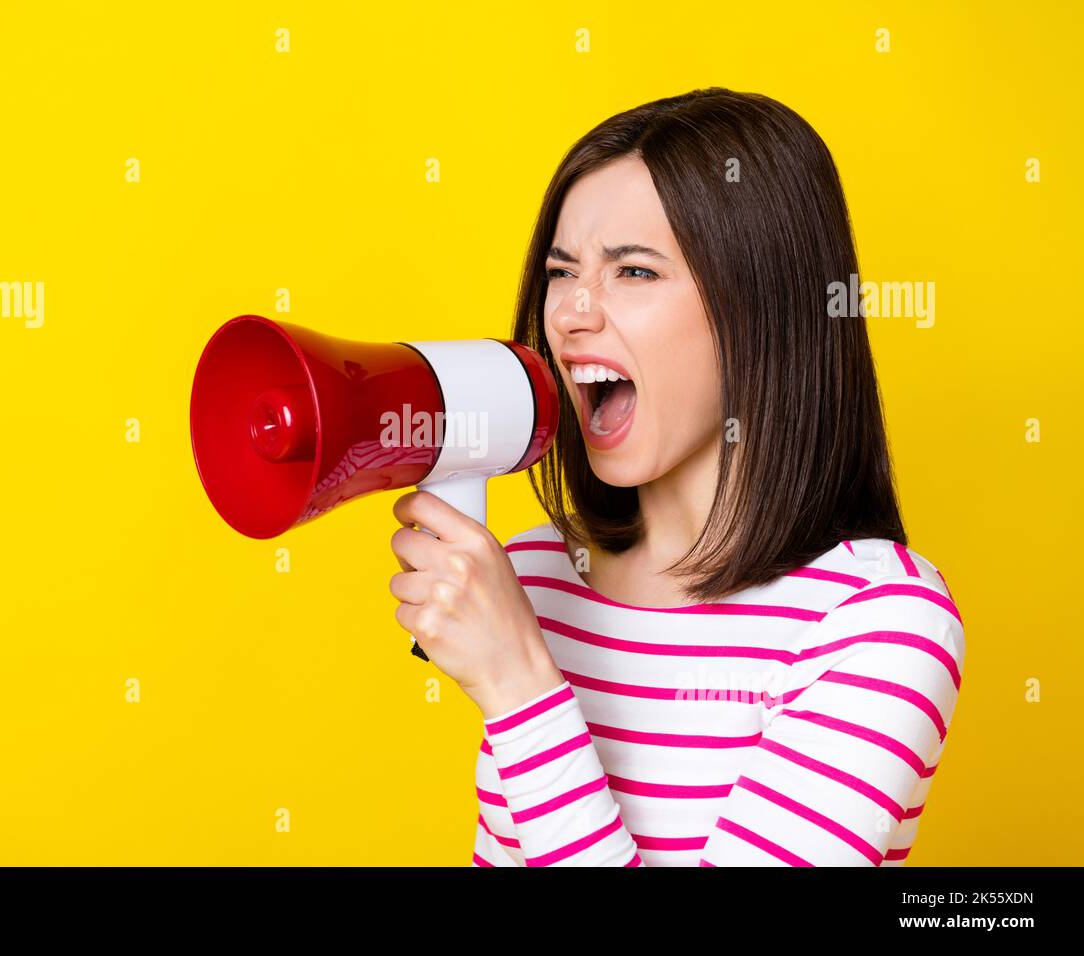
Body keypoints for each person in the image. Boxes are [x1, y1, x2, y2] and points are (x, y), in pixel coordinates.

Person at [388, 87, 965, 866]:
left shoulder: (879, 623)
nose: (571, 314)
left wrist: (520, 684)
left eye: (634, 271)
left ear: (764, 308)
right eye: (562, 271)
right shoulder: (535, 577)